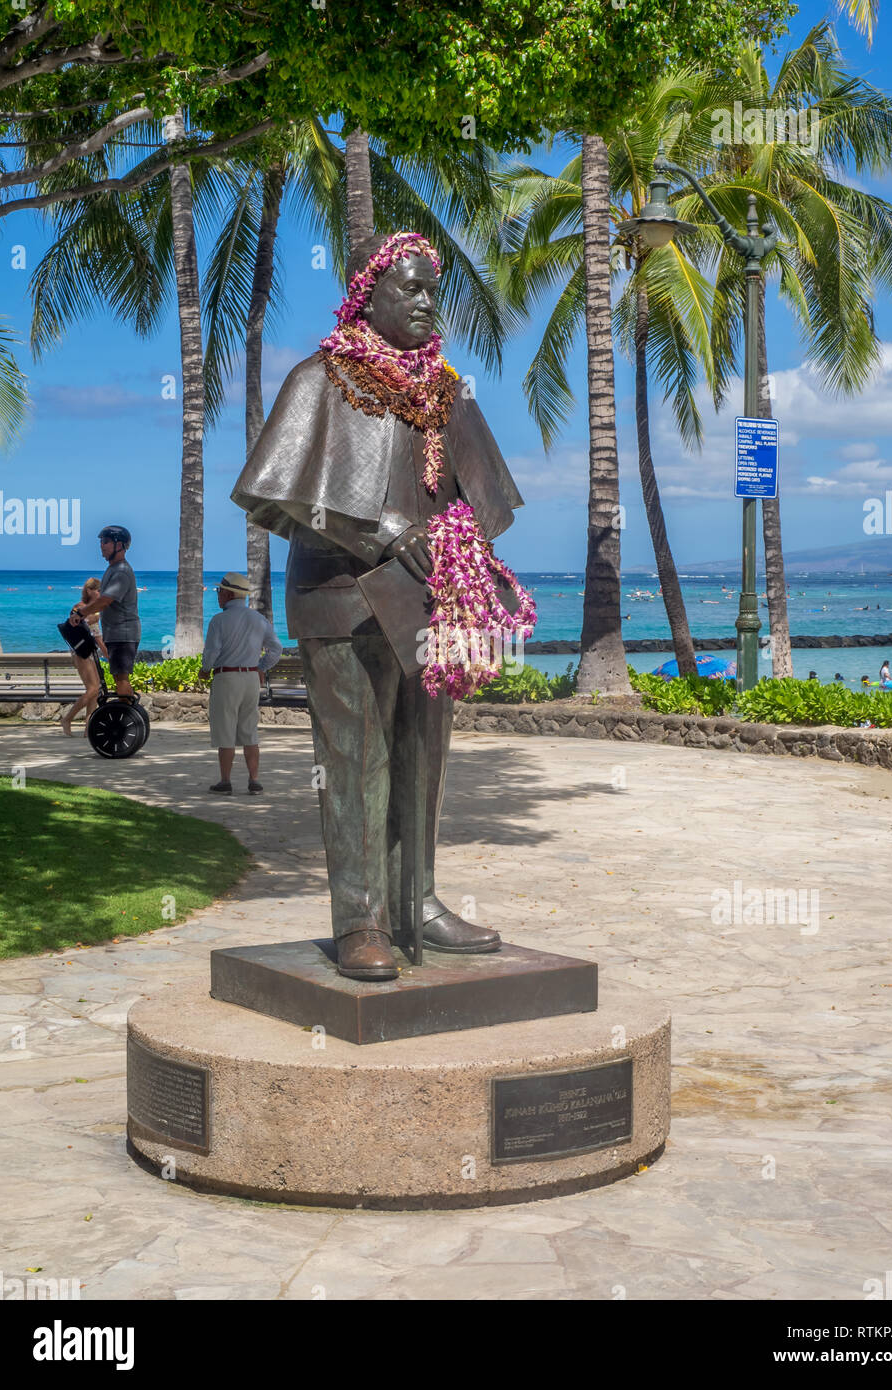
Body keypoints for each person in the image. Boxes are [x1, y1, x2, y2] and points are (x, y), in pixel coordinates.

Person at [231, 229, 524, 981]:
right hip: (342, 603)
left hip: (432, 608)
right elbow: (277, 496)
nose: (428, 301)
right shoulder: (320, 382)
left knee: (424, 758)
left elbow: (482, 500)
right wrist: (384, 531)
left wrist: (463, 548)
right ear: (367, 295)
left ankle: (416, 901)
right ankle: (361, 920)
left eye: (433, 288)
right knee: (357, 762)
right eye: (411, 288)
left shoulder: (445, 392)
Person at [199, 573, 282, 795]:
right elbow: (276, 649)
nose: (218, 595)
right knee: (249, 730)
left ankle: (225, 780)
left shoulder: (219, 620)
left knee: (225, 730)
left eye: (220, 591)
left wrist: (205, 670)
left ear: (228, 593)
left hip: (226, 677)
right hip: (250, 678)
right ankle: (254, 780)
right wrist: (261, 667)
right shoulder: (258, 619)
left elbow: (212, 651)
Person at [70, 526, 140, 698]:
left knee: (121, 679)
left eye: (106, 542)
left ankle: (127, 721)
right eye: (101, 542)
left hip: (123, 633)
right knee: (118, 677)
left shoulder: (122, 571)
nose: (102, 546)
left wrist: (81, 614)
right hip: (115, 633)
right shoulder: (112, 569)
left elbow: (105, 600)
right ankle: (128, 716)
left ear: (120, 545)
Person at [60, 577, 109, 735]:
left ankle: (88, 729)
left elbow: (97, 636)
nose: (100, 593)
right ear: (89, 591)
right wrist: (92, 617)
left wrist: (107, 654)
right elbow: (76, 625)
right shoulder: (79, 608)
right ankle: (67, 718)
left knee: (95, 690)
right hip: (80, 652)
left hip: (91, 652)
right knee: (93, 688)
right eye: (98, 590)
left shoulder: (95, 611)